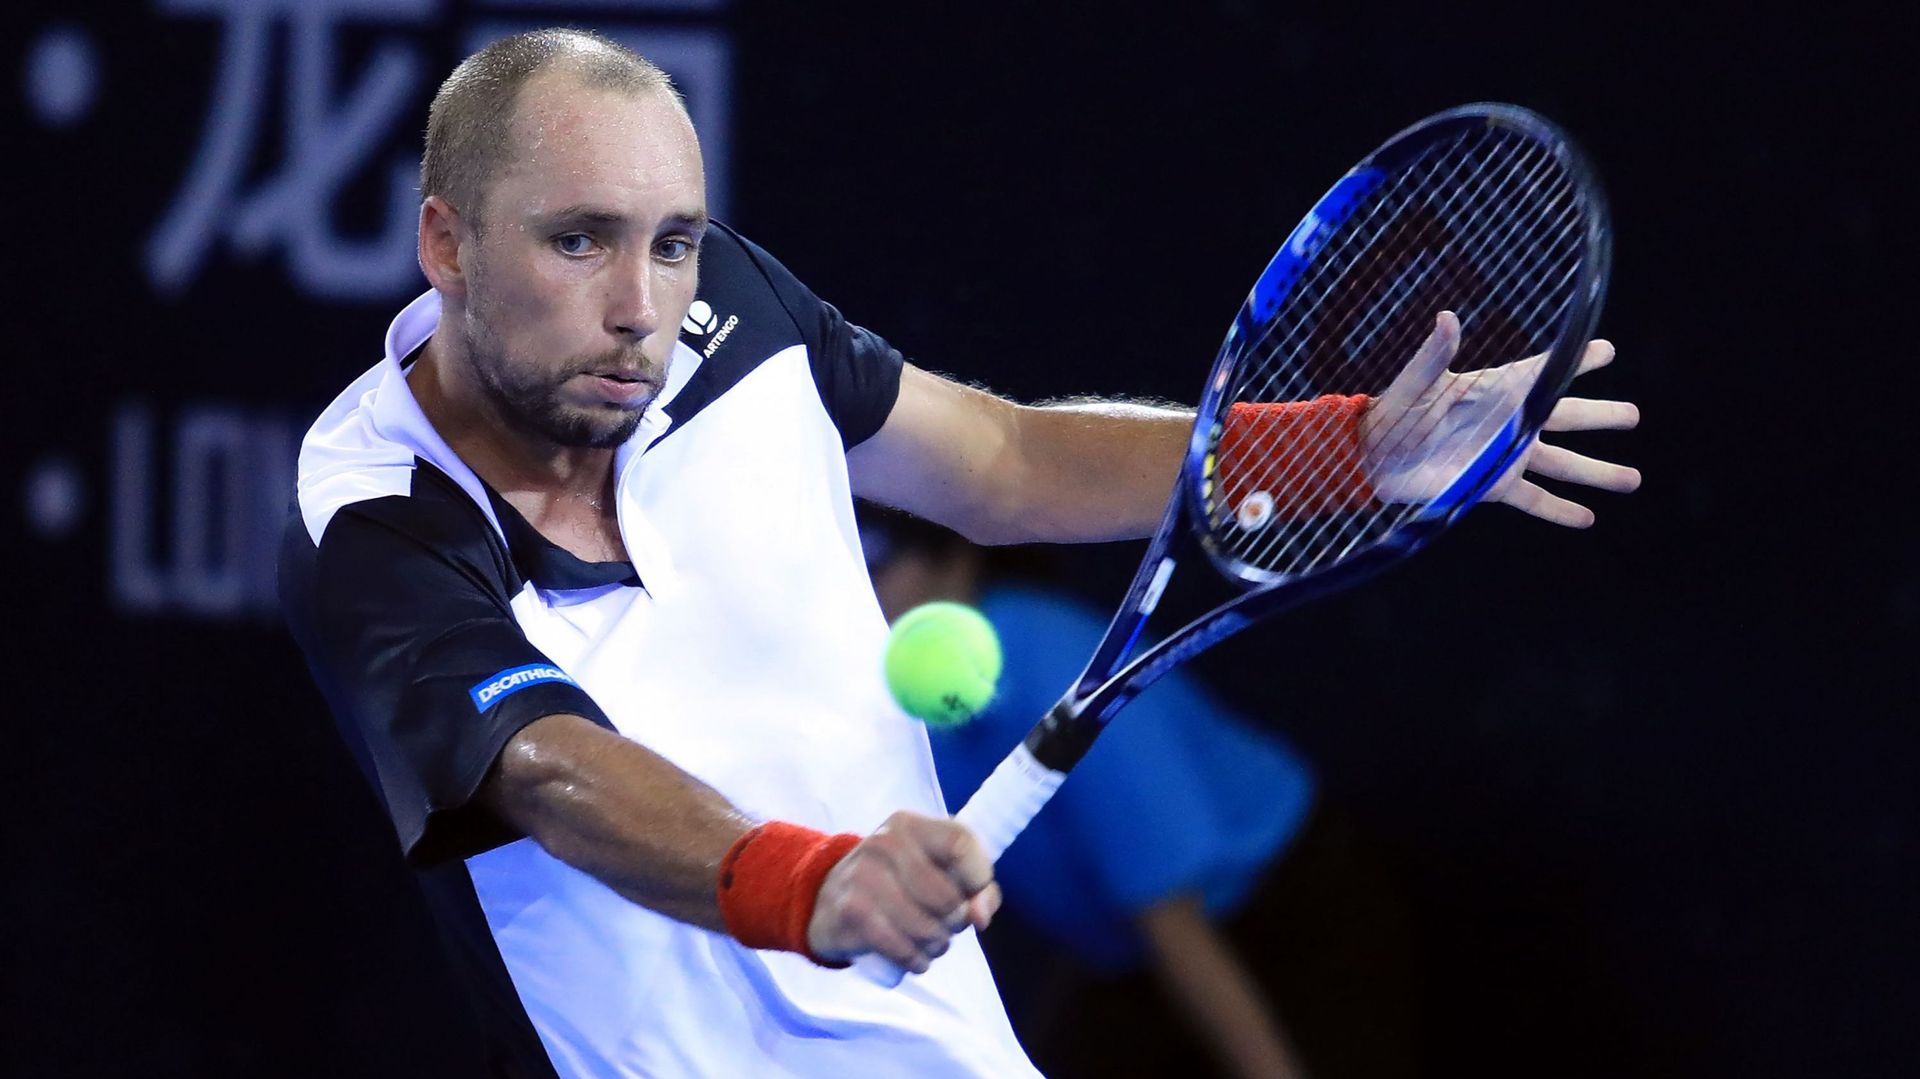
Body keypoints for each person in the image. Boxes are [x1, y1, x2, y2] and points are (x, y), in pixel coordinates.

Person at [278, 27, 1640, 1079]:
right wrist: (811, 880)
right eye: (577, 241)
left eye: (674, 242)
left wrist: (1343, 449)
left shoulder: (737, 313)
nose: (642, 303)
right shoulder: (374, 514)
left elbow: (1002, 462)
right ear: (443, 242)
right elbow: (546, 764)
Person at [860, 507, 1318, 1079]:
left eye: (877, 562)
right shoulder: (898, 704)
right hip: (1131, 960)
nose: (861, 591)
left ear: (955, 563)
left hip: (1292, 913)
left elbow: (1174, 923)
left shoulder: (1046, 656)